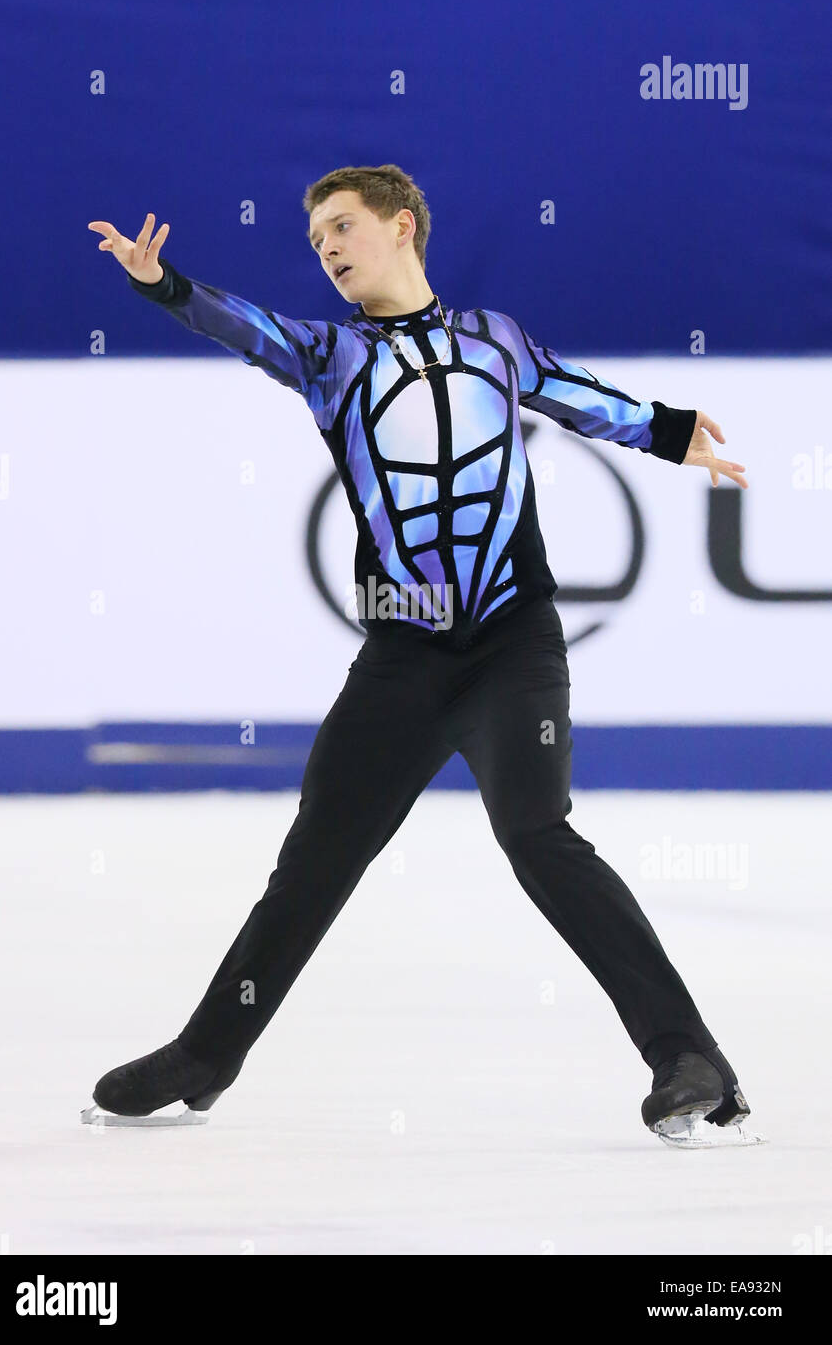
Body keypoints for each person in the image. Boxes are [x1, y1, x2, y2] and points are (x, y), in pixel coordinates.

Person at [85, 163, 753, 1143]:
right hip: (402, 661)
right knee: (315, 857)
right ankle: (205, 1054)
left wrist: (669, 432)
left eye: (342, 229)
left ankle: (687, 1057)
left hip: (511, 646)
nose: (327, 251)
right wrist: (165, 285)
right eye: (316, 242)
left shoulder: (494, 340)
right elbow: (246, 327)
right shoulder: (328, 356)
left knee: (538, 837)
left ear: (402, 228)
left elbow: (574, 396)